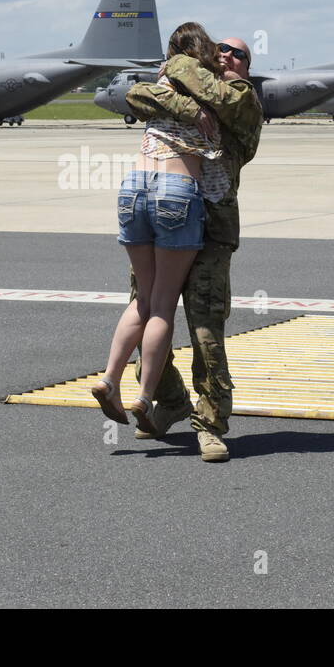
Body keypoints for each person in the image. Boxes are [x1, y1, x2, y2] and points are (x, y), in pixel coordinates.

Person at [123, 37, 263, 461]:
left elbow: (211, 94)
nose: (226, 55)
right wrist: (186, 107)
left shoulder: (243, 99)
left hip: (211, 236)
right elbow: (135, 94)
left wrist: (180, 65)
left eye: (238, 53)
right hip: (167, 220)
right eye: (220, 48)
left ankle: (210, 424)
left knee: (206, 335)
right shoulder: (195, 91)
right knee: (146, 314)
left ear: (247, 67)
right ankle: (171, 401)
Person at [93, 23, 228, 436]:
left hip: (133, 184)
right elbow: (217, 176)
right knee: (164, 305)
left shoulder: (161, 81)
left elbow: (134, 94)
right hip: (175, 187)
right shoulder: (207, 86)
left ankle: (109, 378)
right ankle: (146, 396)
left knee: (141, 300)